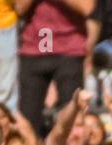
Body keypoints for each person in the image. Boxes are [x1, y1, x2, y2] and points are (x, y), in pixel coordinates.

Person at [17, 0, 91, 136]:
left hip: (70, 49)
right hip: (33, 48)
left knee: (72, 116)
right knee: (27, 118)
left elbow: (87, 7)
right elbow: (19, 8)